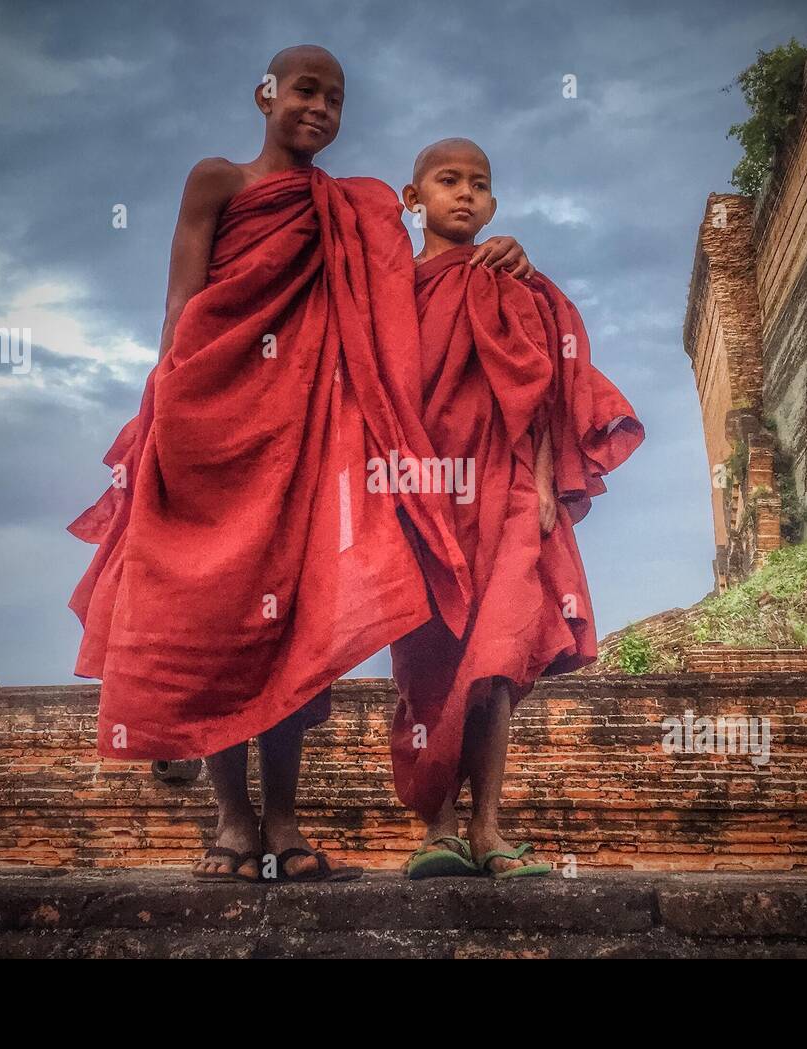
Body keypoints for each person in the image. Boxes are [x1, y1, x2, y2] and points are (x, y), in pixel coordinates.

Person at [68, 51, 529, 883]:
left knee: (283, 626)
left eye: (336, 98)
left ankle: (283, 822)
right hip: (207, 419)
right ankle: (233, 823)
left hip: (298, 439)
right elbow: (180, 302)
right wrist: (157, 413)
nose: (319, 107)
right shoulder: (218, 180)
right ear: (265, 94)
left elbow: (419, 260)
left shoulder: (346, 205)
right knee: (209, 623)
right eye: (305, 90)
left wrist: (505, 249)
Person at [391, 138, 644, 879]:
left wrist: (540, 485)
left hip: (503, 489)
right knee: (429, 662)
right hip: (424, 495)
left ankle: (489, 826)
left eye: (479, 184)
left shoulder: (507, 281)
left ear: (494, 204)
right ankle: (438, 829)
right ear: (415, 200)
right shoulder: (395, 289)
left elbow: (536, 391)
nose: (463, 194)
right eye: (446, 181)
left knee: (499, 659)